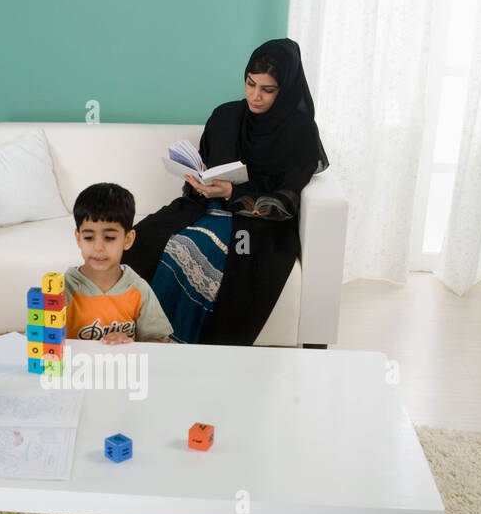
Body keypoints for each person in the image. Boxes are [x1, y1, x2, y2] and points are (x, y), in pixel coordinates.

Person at [123, 37, 329, 345]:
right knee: (141, 240)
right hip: (203, 207)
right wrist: (197, 183)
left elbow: (287, 202)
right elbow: (204, 167)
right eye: (250, 83)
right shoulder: (225, 116)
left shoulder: (299, 131)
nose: (255, 96)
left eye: (267, 89)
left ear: (285, 89)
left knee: (189, 247)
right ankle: (125, 335)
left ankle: (175, 346)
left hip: (257, 223)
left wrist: (233, 193)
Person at [64, 182, 171, 343]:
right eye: (88, 237)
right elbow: (44, 343)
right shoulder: (64, 288)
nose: (98, 248)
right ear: (78, 238)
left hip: (125, 366)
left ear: (128, 240)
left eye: (109, 238)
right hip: (77, 367)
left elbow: (158, 341)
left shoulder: (138, 289)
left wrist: (130, 345)